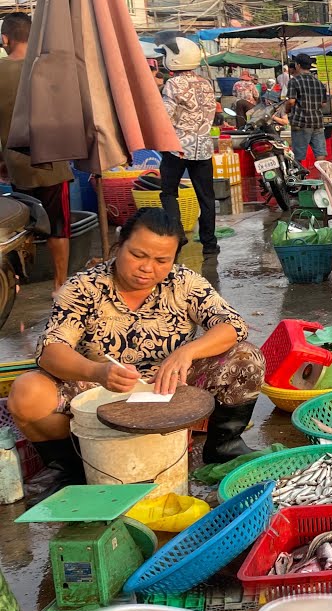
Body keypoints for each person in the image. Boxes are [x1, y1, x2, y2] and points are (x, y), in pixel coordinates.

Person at [7, 208, 266, 484]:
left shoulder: (183, 282)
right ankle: (74, 465)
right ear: (119, 245)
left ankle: (223, 447)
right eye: (137, 255)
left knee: (246, 357)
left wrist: (186, 353)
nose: (147, 268)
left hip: (171, 388)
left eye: (161, 260)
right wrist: (97, 373)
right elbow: (51, 351)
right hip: (102, 391)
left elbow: (233, 325)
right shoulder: (83, 287)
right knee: (27, 393)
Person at [0, 12, 73, 291]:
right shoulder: (51, 69)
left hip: (16, 164)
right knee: (58, 226)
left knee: (22, 223)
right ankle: (60, 284)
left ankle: (17, 282)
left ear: (6, 38)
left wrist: (2, 159)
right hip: (53, 164)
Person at [156, 37, 220, 255]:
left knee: (168, 193)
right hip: (203, 147)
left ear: (174, 58)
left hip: (177, 147)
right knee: (206, 197)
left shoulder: (173, 84)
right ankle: (210, 244)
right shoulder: (206, 83)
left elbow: (165, 116)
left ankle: (178, 233)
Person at [286, 55, 327, 167]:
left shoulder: (294, 82)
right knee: (320, 153)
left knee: (298, 155)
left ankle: (299, 178)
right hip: (317, 121)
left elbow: (291, 101)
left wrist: (286, 110)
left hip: (301, 121)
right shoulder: (319, 83)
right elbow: (323, 104)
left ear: (298, 65)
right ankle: (323, 175)